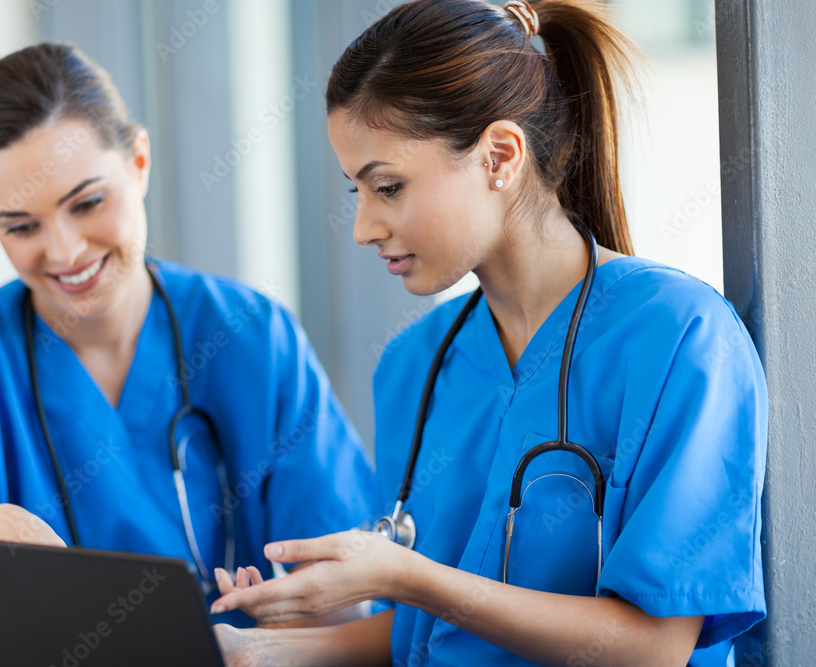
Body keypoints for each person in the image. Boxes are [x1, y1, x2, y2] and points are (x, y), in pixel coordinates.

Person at [209, 1, 767, 665]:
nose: (363, 227)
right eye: (354, 192)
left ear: (499, 156)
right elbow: (421, 634)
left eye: (387, 186)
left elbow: (653, 646)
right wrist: (261, 646)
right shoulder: (414, 365)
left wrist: (402, 574)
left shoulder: (681, 338)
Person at [0, 43, 374, 667]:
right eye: (21, 226)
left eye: (87, 203)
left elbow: (349, 600)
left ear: (139, 161)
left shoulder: (251, 337)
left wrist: (283, 629)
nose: (66, 250)